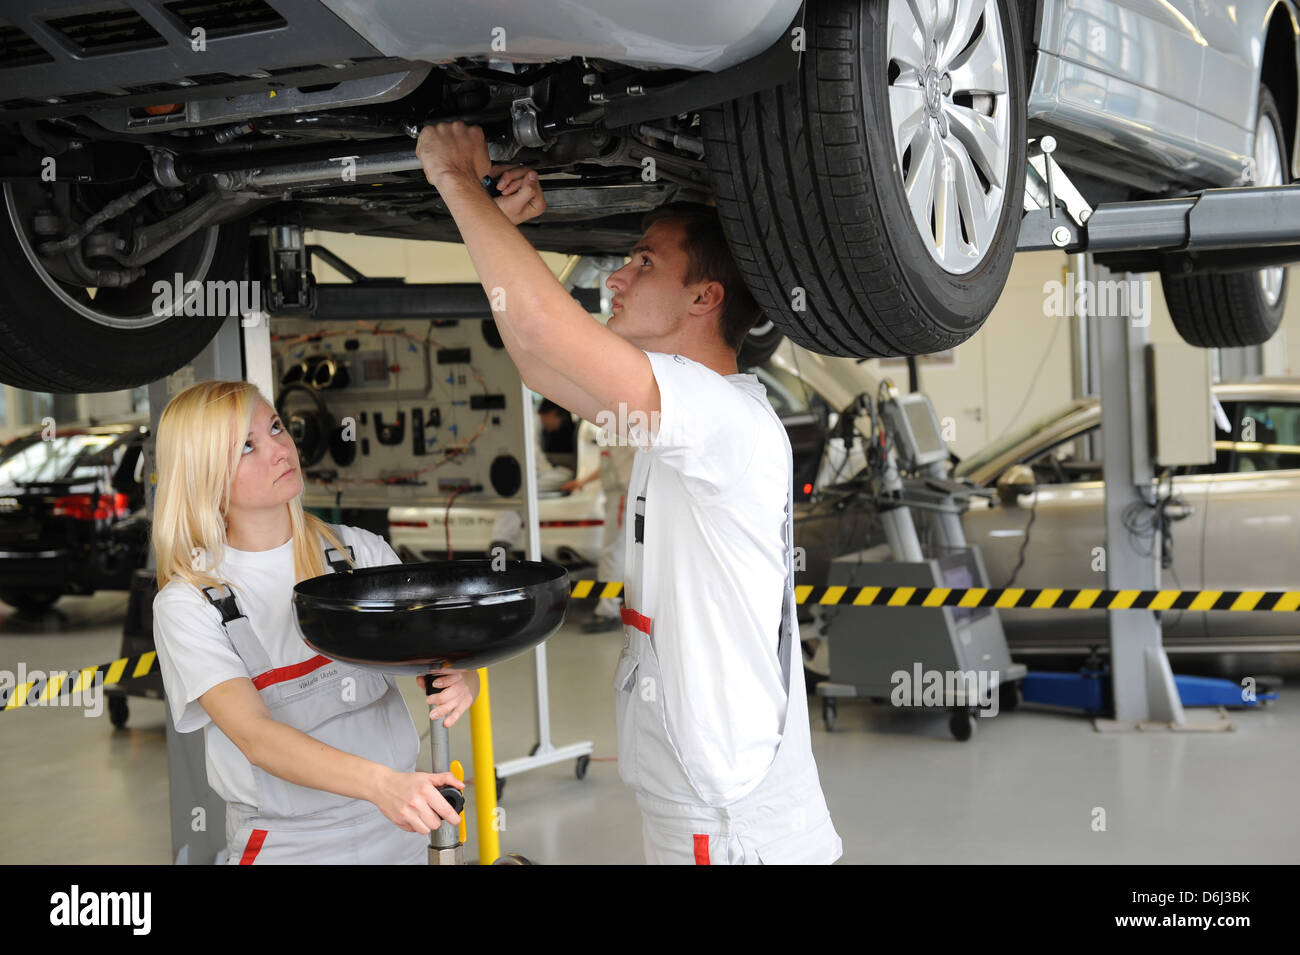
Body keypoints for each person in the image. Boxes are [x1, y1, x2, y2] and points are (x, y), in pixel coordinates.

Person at [417, 122, 842, 864]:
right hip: (704, 800)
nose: (615, 277)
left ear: (705, 297)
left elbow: (552, 335)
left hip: (730, 817)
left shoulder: (724, 419)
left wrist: (456, 180)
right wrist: (494, 225)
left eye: (642, 263)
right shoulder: (684, 417)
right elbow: (540, 363)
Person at [149, 380, 479, 864]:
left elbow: (433, 657)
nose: (281, 449)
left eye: (276, 427)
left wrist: (461, 678)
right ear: (204, 476)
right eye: (247, 446)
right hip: (291, 844)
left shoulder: (358, 553)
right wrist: (381, 785)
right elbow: (256, 737)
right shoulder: (189, 603)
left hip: (400, 823)